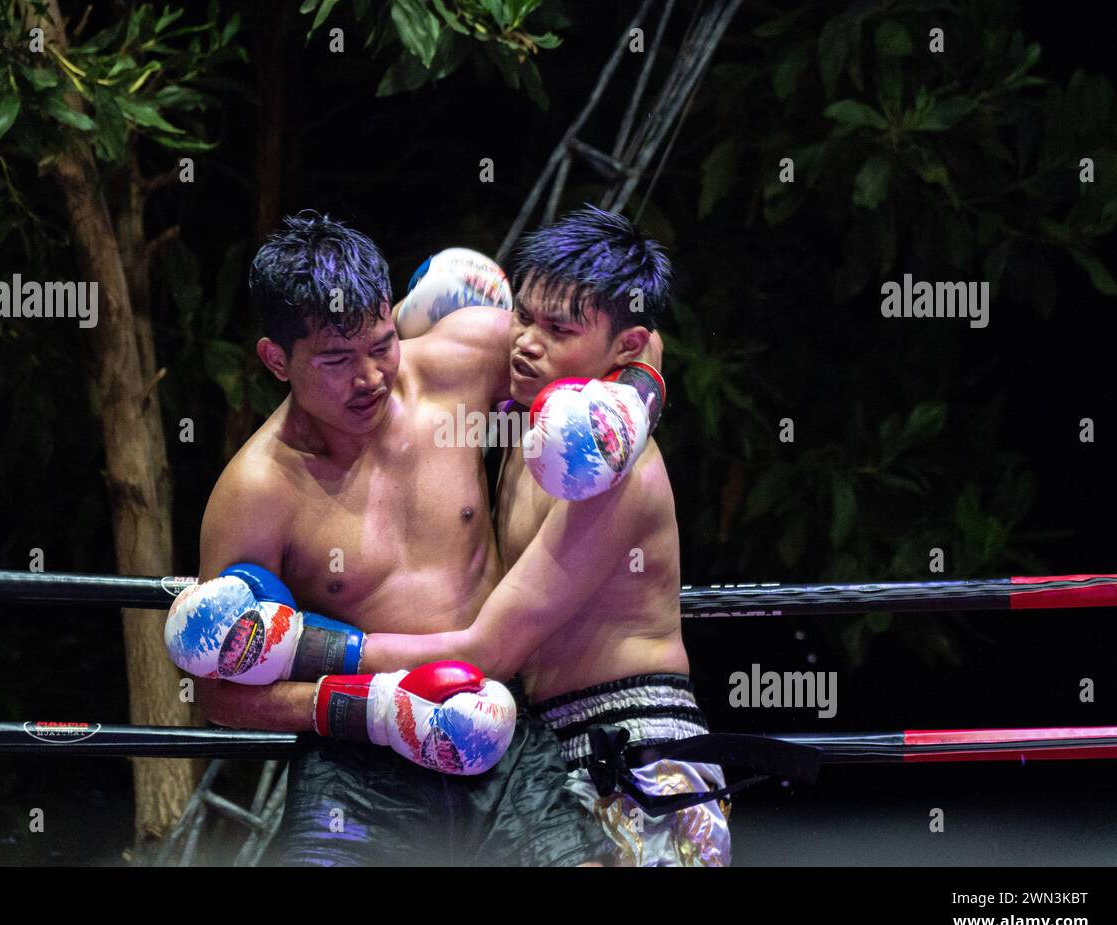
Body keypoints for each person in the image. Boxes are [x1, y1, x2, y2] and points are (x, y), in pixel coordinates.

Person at [182, 207, 729, 866]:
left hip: (529, 738)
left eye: (382, 343)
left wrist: (634, 392)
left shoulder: (471, 366)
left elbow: (629, 339)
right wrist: (375, 710)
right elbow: (221, 689)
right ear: (276, 359)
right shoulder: (255, 493)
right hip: (361, 762)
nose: (370, 378)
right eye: (335, 359)